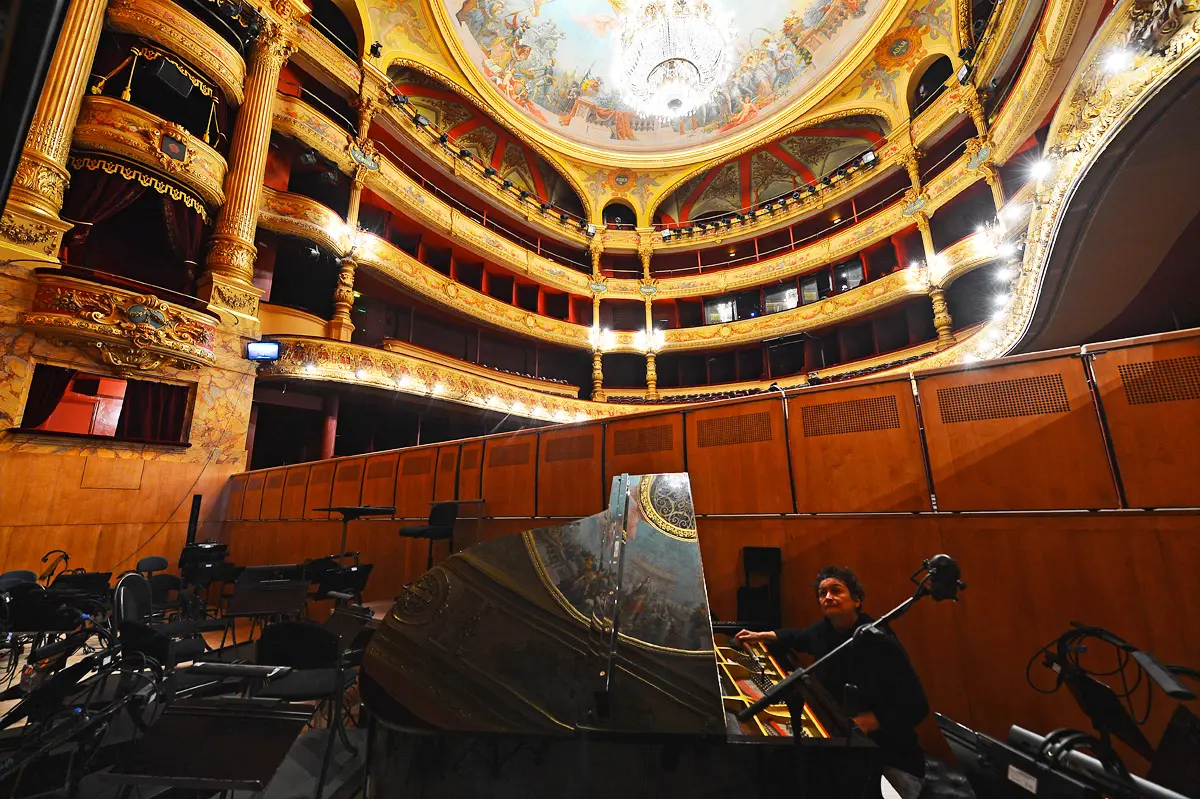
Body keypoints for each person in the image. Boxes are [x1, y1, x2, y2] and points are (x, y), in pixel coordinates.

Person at [735, 566, 929, 798]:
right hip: (845, 747)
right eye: (822, 593)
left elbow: (917, 705)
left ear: (856, 600)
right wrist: (761, 635)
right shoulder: (824, 631)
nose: (828, 597)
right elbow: (797, 636)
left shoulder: (879, 640)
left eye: (836, 590)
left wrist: (873, 720)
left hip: (890, 759)